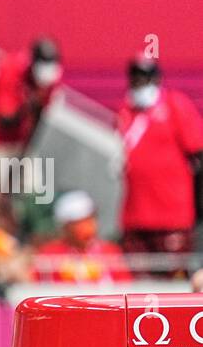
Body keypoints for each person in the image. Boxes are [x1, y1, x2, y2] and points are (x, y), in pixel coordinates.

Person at [116, 57, 203, 277]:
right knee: (140, 286)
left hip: (173, 217)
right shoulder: (126, 111)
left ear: (156, 79)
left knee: (174, 284)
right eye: (136, 79)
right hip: (136, 217)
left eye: (145, 78)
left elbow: (198, 151)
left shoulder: (175, 105)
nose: (140, 84)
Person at [0, 37, 62, 153]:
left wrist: (26, 150)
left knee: (31, 165)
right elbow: (5, 119)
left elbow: (38, 116)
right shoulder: (12, 71)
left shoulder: (51, 80)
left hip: (18, 139)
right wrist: (29, 103)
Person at [32, 190, 131, 284]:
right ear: (66, 227)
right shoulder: (50, 254)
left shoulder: (110, 251)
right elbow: (36, 284)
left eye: (90, 219)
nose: (88, 226)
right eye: (79, 223)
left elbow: (125, 285)